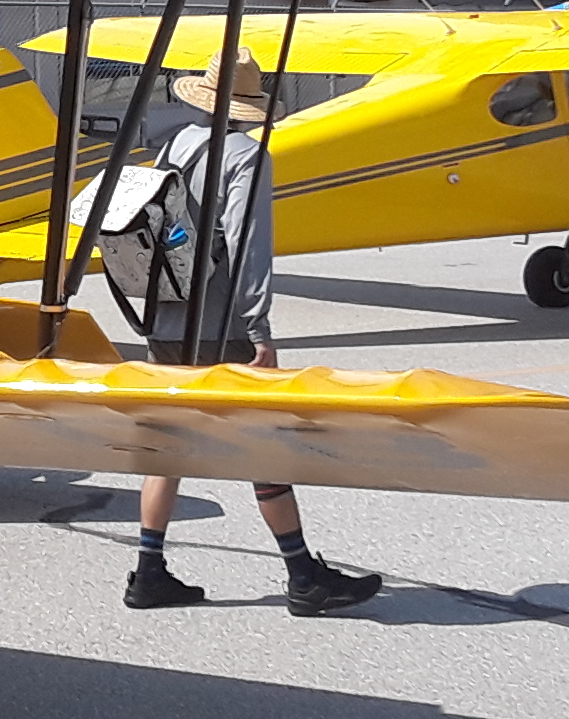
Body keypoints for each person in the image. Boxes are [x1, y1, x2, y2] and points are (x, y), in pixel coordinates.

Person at [105, 50, 382, 618]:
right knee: (263, 443)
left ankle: (149, 570)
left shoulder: (177, 145)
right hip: (220, 322)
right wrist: (259, 327)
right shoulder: (246, 157)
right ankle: (303, 575)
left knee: (167, 440)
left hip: (166, 317)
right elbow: (246, 241)